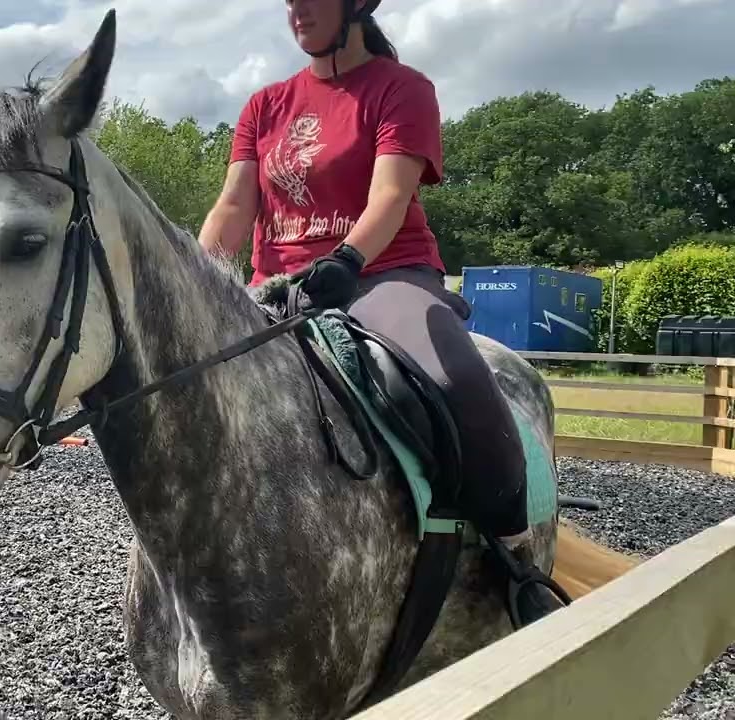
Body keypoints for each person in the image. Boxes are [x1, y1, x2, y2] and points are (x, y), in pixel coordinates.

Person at [198, 0, 563, 623]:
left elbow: (391, 194)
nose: (296, 9)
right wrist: (200, 276)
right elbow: (234, 207)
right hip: (277, 286)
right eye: (289, 0)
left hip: (379, 272)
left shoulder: (402, 89)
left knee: (454, 377)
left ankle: (514, 558)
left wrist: (345, 258)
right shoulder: (265, 105)